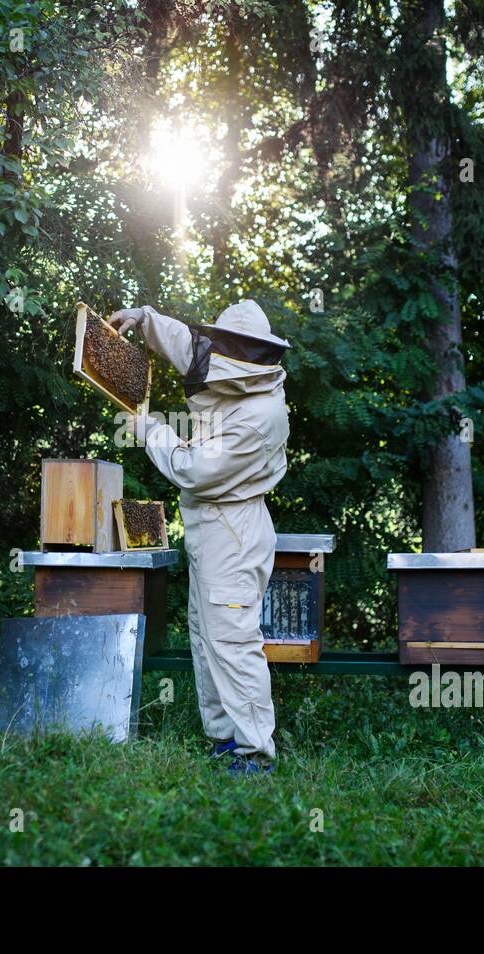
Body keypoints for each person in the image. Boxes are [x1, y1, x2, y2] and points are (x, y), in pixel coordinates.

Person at [110, 299, 290, 775]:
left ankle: (255, 753)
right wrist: (144, 318)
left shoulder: (260, 415)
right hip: (213, 530)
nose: (218, 353)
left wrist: (150, 431)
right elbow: (191, 350)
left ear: (251, 351)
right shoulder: (239, 374)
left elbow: (195, 470)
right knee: (207, 636)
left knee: (231, 640)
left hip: (233, 529)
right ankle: (225, 739)